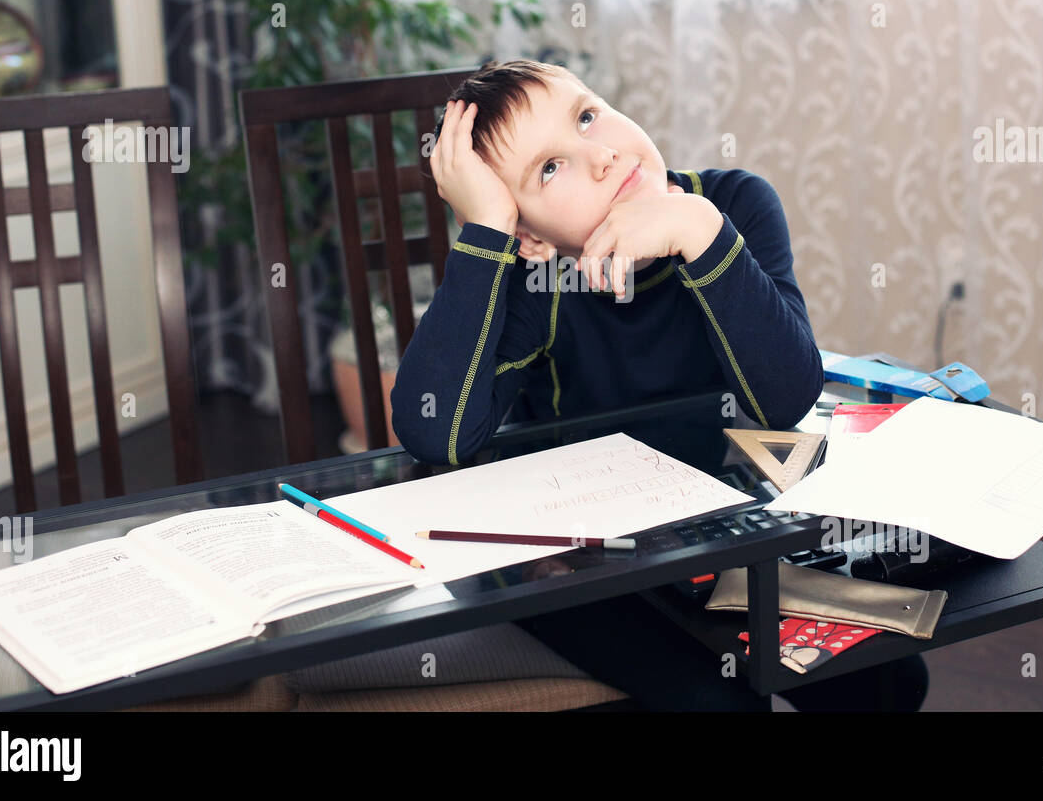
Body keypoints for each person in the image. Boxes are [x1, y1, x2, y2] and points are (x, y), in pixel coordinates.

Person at [300, 59, 926, 710]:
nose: (599, 155)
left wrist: (699, 232)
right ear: (531, 236)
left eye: (587, 115)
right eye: (549, 168)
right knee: (718, 701)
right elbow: (436, 433)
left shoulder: (733, 204)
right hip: (576, 563)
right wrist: (487, 232)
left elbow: (787, 397)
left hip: (718, 531)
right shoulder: (534, 279)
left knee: (892, 681)